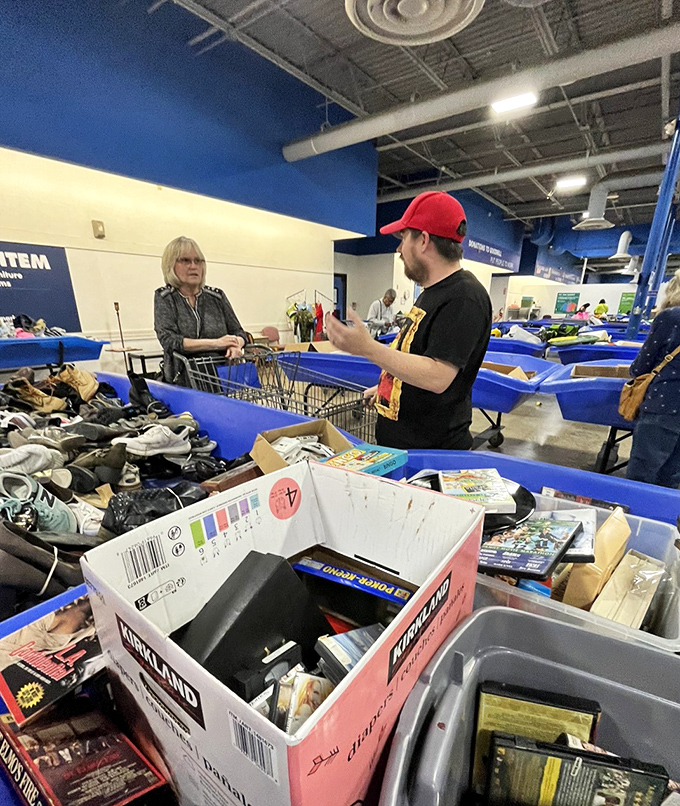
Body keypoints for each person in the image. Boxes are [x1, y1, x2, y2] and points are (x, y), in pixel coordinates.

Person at [325, 191, 492, 450]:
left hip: (432, 453)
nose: (399, 249)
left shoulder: (465, 297)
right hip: (404, 445)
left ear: (423, 240)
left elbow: (438, 376)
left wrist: (367, 347)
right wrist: (386, 388)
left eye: (403, 238)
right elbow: (418, 357)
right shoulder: (430, 292)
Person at [154, 236, 248, 384]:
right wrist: (216, 343)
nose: (193, 266)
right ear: (170, 265)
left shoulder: (217, 296)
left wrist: (237, 345)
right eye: (185, 260)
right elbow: (169, 341)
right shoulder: (165, 297)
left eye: (198, 261)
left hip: (220, 379)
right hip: (183, 381)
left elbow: (239, 333)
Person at [626, 269, 680, 488]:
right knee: (673, 479)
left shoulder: (671, 317)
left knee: (642, 475)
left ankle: (635, 520)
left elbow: (641, 366)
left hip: (664, 406)